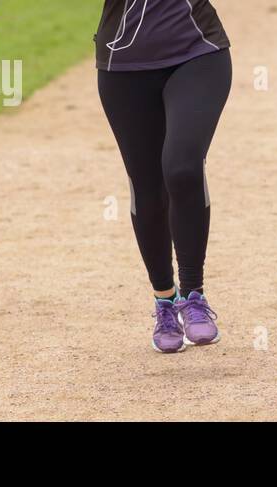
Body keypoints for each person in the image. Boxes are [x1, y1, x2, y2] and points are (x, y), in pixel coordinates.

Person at [95, 0, 232, 353]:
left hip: (198, 50)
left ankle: (193, 295)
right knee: (147, 185)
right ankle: (165, 302)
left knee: (182, 167)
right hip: (122, 62)